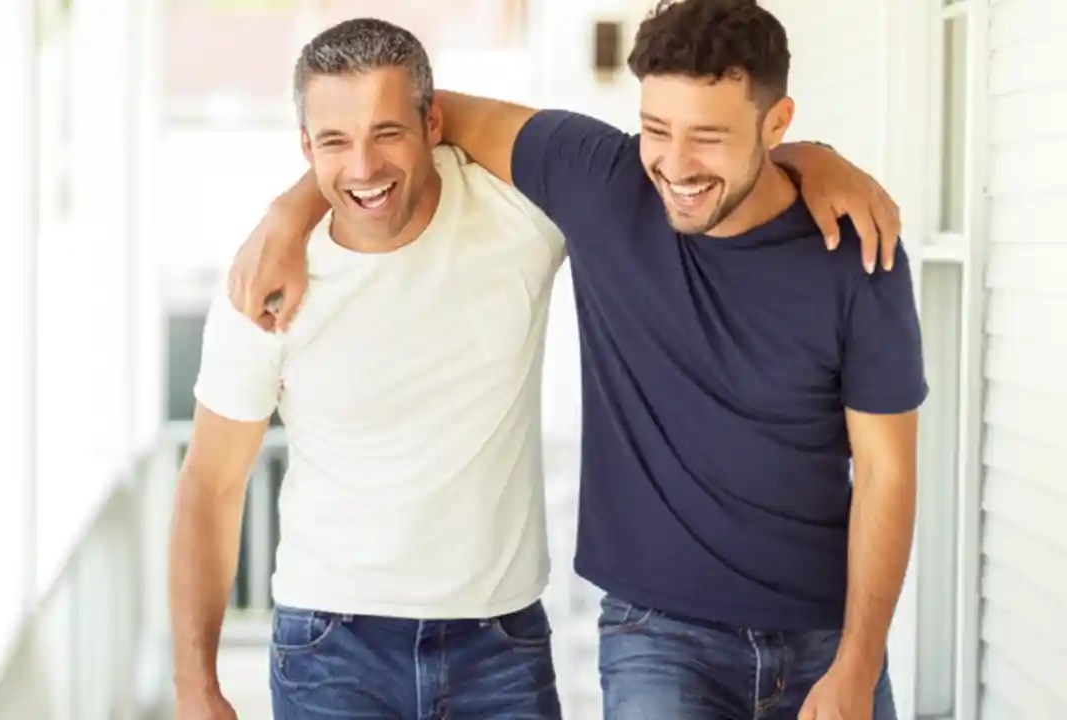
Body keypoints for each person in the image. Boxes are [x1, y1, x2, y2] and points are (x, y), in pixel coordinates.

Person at [228, 2, 925, 719]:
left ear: (775, 125)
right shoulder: (603, 182)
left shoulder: (856, 254)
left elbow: (887, 471)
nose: (676, 166)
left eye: (709, 138)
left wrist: (858, 663)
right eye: (657, 129)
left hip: (826, 637)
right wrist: (293, 209)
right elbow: (410, 118)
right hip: (660, 639)